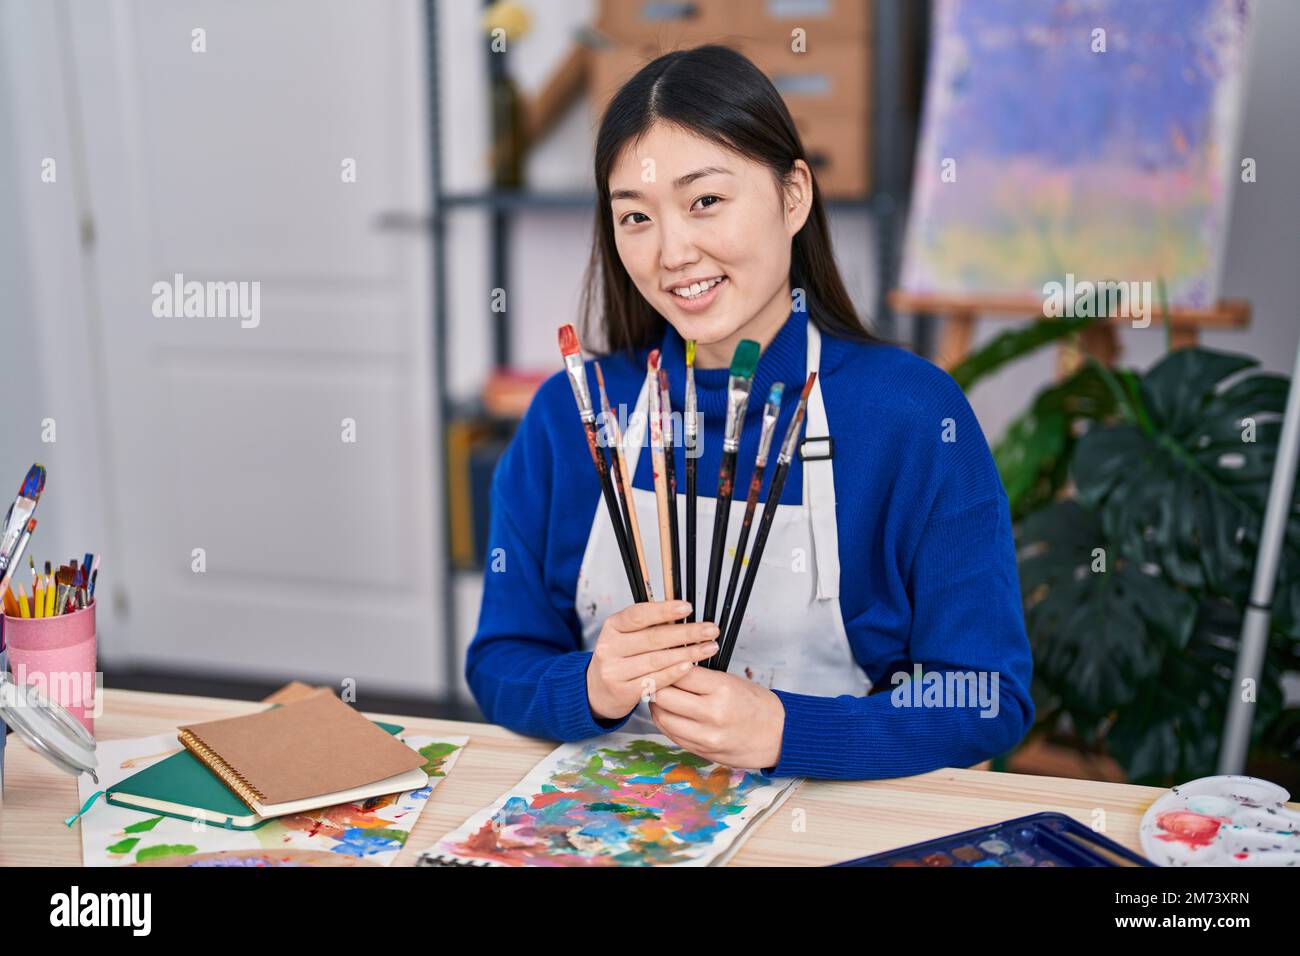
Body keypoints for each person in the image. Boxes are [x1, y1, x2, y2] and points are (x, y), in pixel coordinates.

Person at [465, 45, 1033, 779]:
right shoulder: (571, 417)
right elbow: (500, 661)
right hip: (625, 830)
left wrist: (789, 730)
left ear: (793, 194)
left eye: (705, 201)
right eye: (635, 217)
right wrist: (591, 687)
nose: (672, 252)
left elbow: (987, 695)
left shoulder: (910, 416)